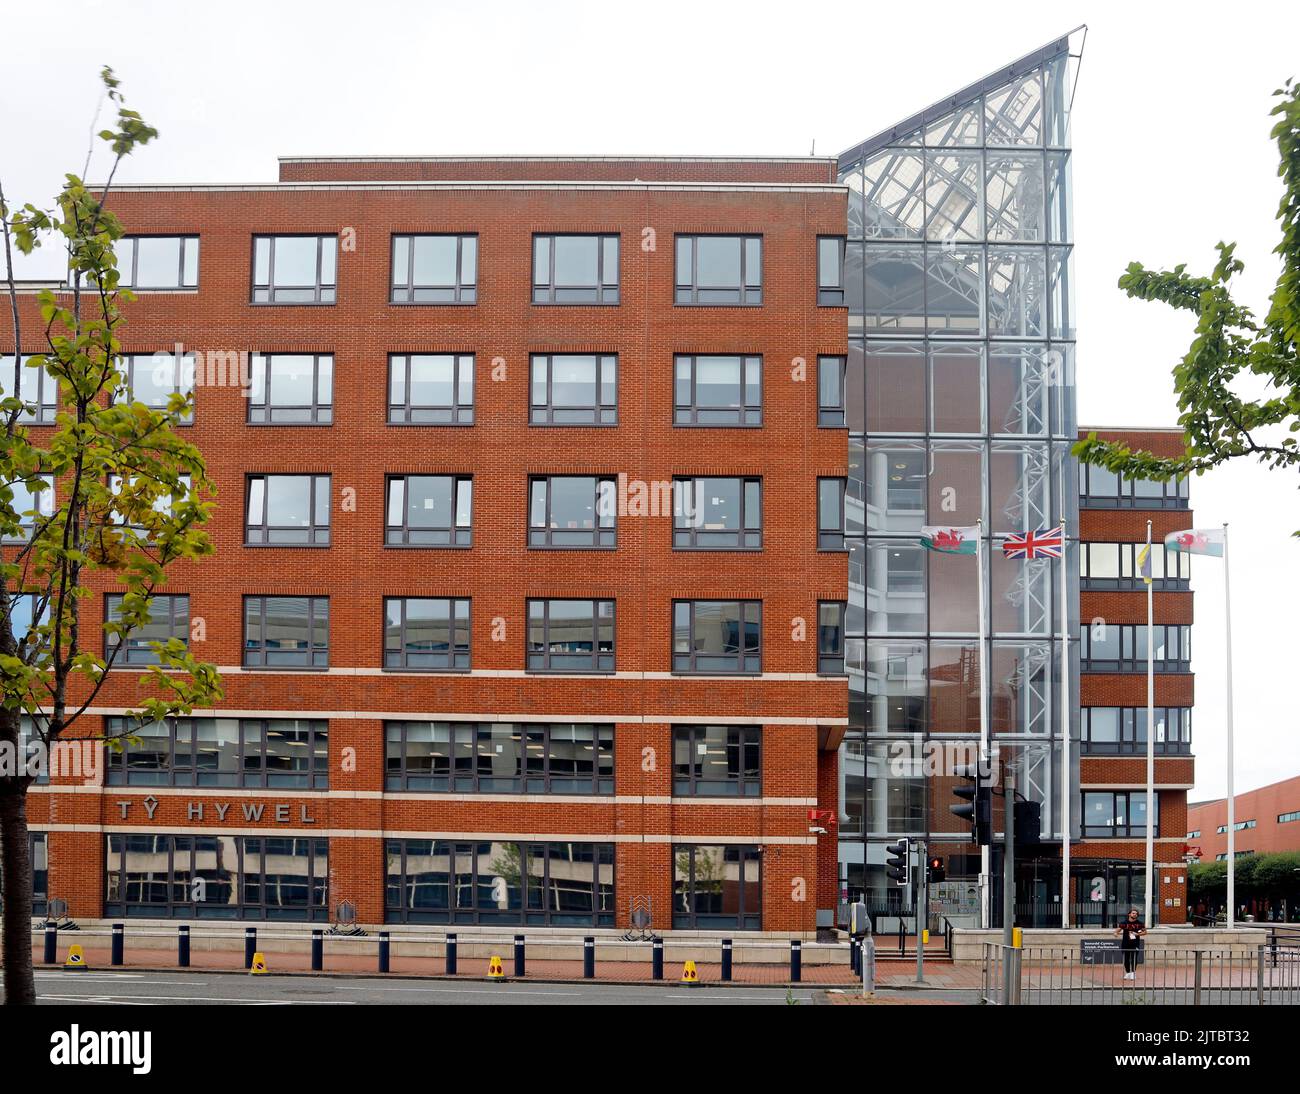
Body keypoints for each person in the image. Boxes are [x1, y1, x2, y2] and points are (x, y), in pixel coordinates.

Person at [1115, 908, 1146, 979]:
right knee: (1126, 959)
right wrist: (1115, 933)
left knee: (1133, 958)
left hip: (1135, 943)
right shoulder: (1124, 923)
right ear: (1129, 914)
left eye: (1136, 914)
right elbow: (1117, 931)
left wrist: (1137, 934)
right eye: (1133, 913)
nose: (1135, 915)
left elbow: (1145, 932)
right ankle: (1128, 973)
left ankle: (1133, 973)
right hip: (1125, 943)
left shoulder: (1140, 923)